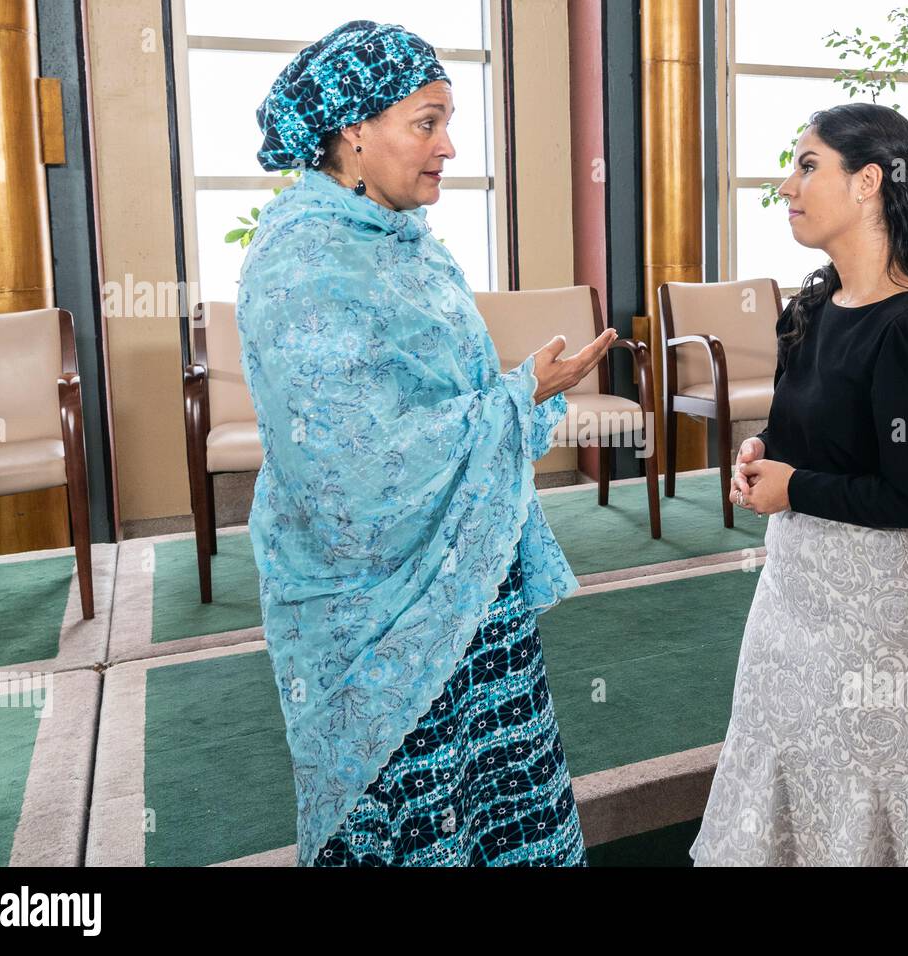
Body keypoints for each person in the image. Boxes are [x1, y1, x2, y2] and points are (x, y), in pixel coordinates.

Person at [236, 20, 616, 867]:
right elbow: (350, 472)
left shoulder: (410, 245)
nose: (448, 146)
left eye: (448, 122)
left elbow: (444, 404)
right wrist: (518, 397)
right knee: (409, 805)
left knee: (495, 789)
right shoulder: (300, 264)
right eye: (427, 123)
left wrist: (518, 393)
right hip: (373, 601)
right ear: (354, 129)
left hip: (472, 579)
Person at [689, 102, 908, 866]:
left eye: (807, 165)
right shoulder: (814, 307)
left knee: (869, 782)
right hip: (789, 593)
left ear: (868, 182)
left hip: (881, 612)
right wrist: (762, 453)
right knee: (777, 754)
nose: (787, 186)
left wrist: (794, 490)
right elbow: (800, 437)